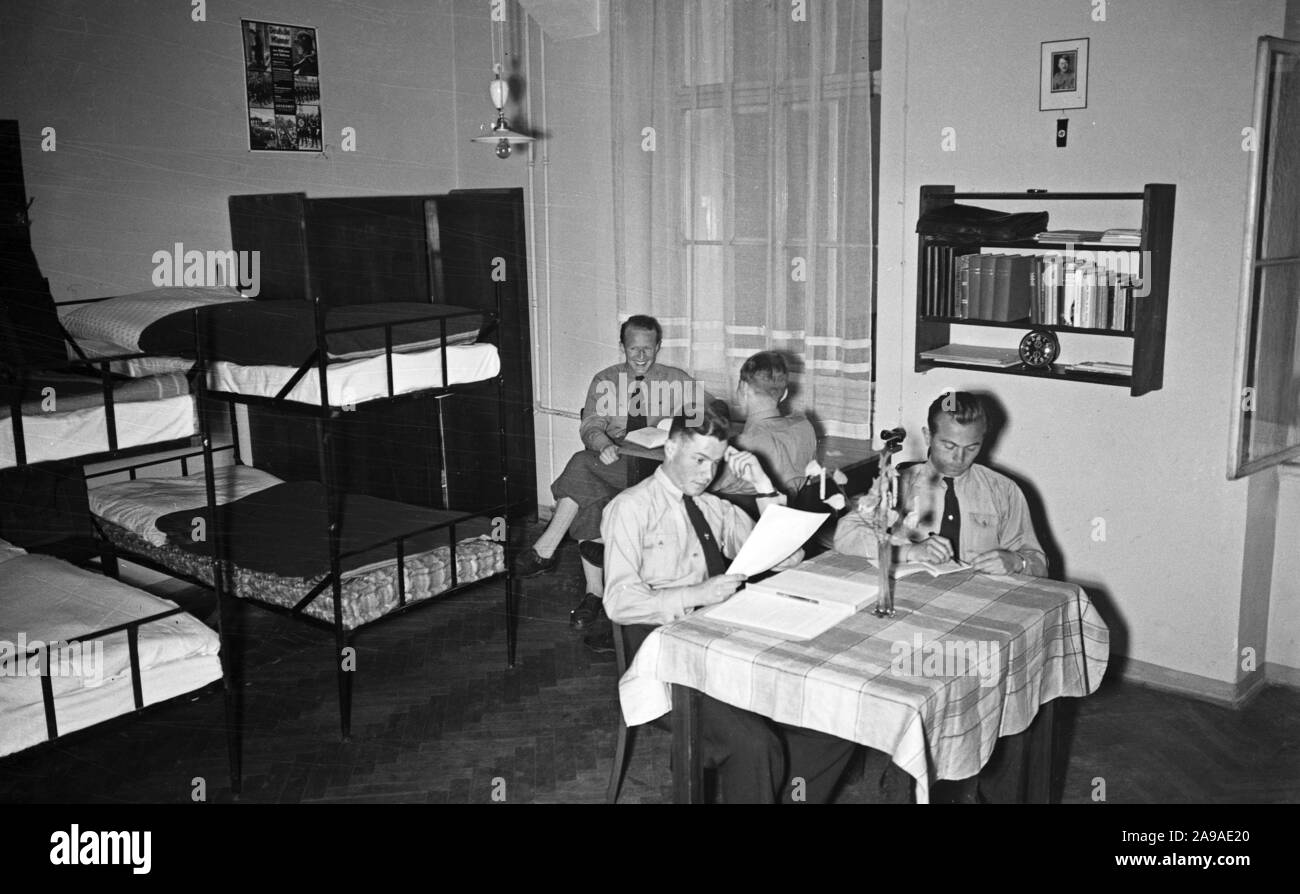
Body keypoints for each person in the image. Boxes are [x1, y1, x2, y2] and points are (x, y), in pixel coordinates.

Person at [602, 410, 857, 803]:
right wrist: (697, 595)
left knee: (834, 720)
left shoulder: (712, 508)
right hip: (666, 655)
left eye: (716, 462)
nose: (707, 473)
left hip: (724, 644)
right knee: (753, 744)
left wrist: (762, 485)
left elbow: (785, 556)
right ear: (670, 448)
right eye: (698, 460)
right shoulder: (631, 508)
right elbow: (618, 601)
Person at [515, 315, 717, 632]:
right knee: (588, 489)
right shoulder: (605, 380)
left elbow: (713, 413)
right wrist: (603, 443)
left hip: (657, 465)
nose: (640, 357)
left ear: (658, 347)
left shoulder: (676, 380)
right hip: (616, 459)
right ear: (622, 346)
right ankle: (594, 593)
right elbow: (591, 423)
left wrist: (680, 431)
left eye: (647, 350)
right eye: (633, 349)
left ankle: (549, 551)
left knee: (581, 465)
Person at [834, 391, 1047, 576]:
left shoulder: (1004, 491)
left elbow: (1039, 563)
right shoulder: (897, 483)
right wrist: (910, 551)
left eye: (971, 448)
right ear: (928, 436)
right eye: (949, 445)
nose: (959, 458)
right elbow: (846, 534)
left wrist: (1017, 562)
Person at [711, 351, 817, 500]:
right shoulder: (805, 427)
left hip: (751, 519)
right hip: (793, 515)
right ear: (785, 394)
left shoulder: (740, 447)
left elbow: (703, 483)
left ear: (744, 388)